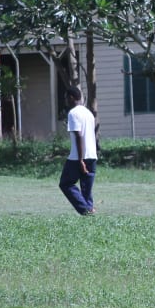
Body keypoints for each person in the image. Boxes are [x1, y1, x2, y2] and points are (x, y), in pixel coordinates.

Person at [59, 86, 98, 216]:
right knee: (86, 189)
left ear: (71, 98)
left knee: (66, 183)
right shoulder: (89, 113)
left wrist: (81, 160)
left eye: (65, 98)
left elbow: (79, 135)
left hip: (78, 157)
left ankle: (85, 209)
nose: (65, 101)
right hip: (92, 155)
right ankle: (89, 212)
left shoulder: (73, 113)